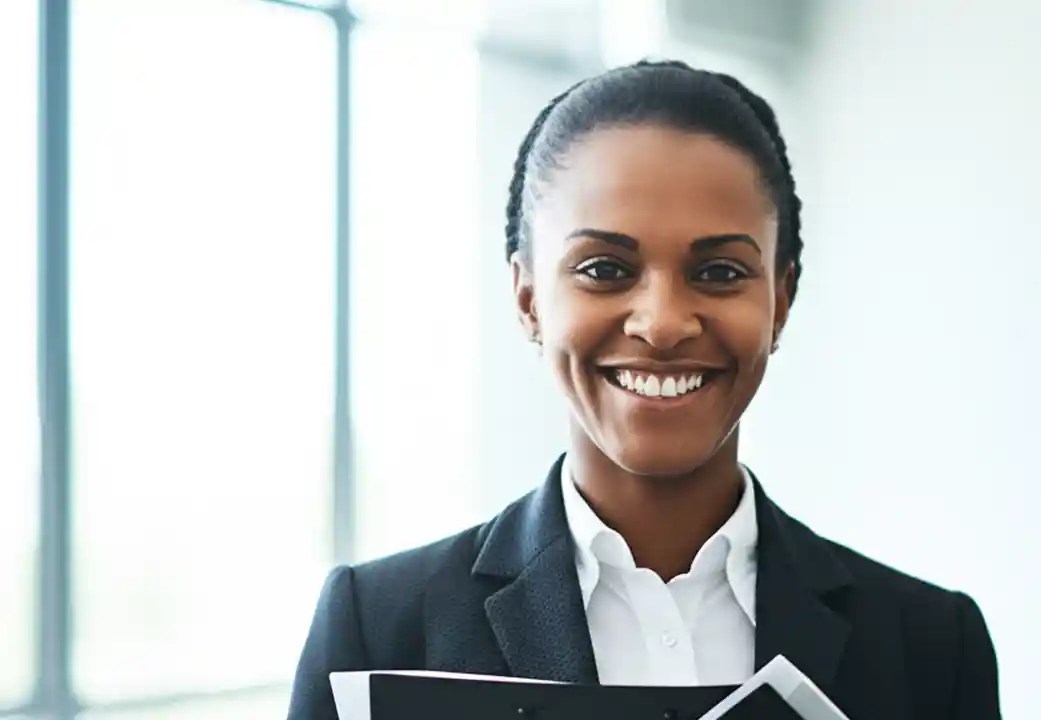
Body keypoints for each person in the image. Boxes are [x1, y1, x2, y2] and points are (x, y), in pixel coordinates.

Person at [287, 60, 1001, 719]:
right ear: (529, 298)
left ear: (781, 302)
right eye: (603, 269)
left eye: (719, 272)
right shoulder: (378, 628)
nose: (661, 324)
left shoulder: (931, 646)